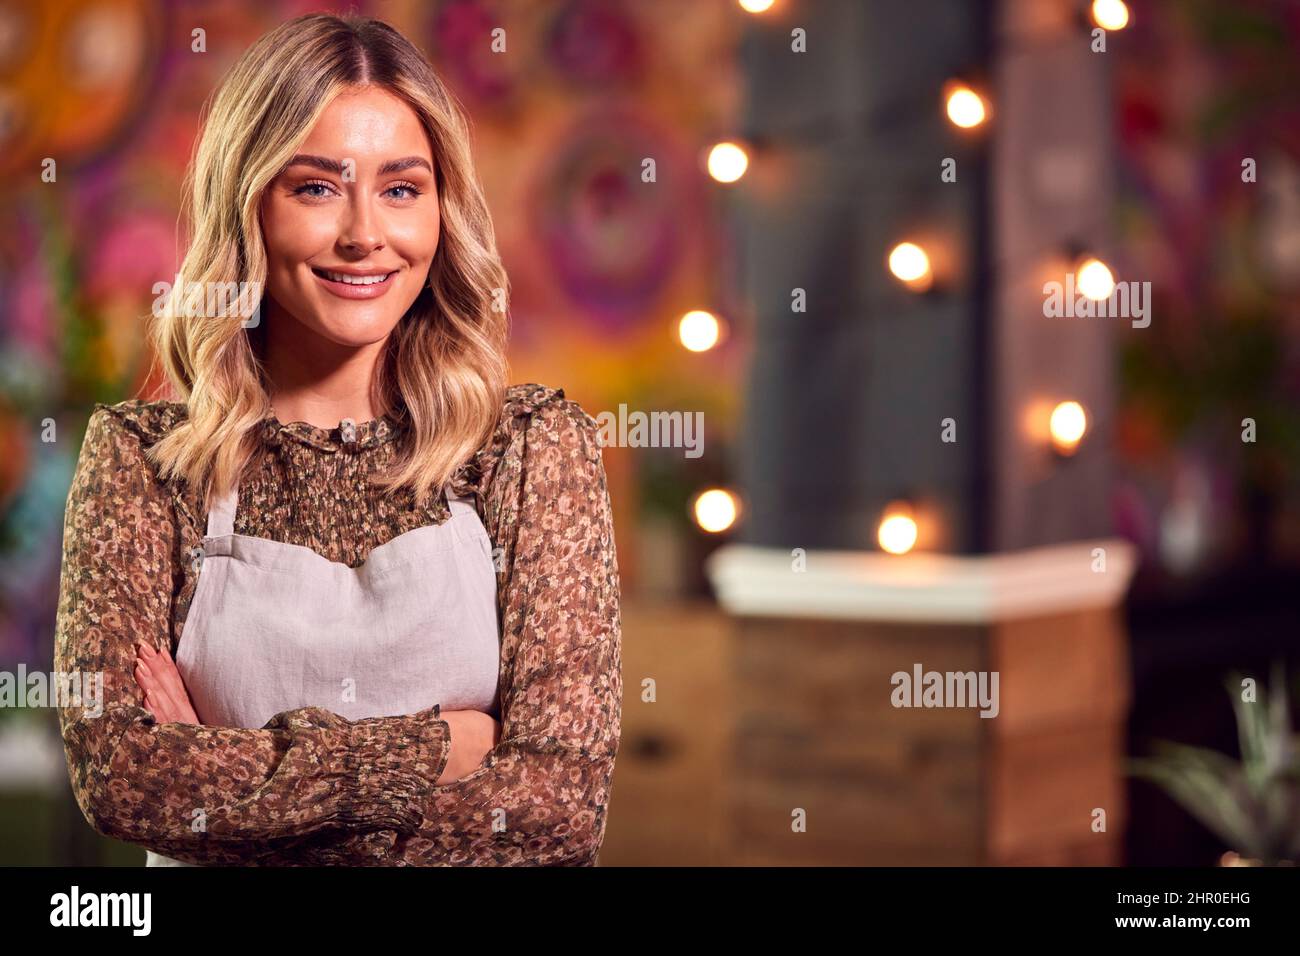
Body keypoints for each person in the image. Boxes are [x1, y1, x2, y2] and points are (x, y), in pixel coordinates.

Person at [53, 13, 621, 866]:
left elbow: (556, 809)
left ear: (440, 209)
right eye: (316, 187)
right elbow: (123, 777)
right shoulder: (145, 460)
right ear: (249, 206)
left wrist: (232, 794)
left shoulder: (530, 449)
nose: (365, 234)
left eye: (401, 188)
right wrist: (442, 751)